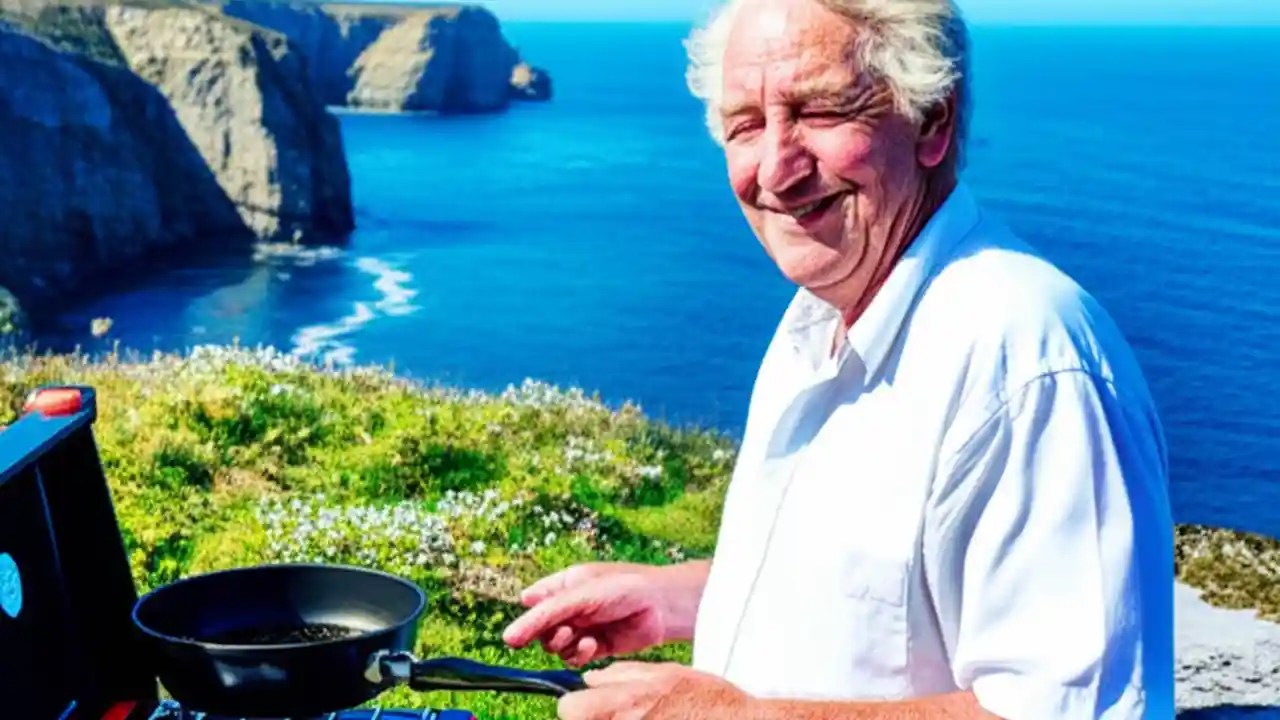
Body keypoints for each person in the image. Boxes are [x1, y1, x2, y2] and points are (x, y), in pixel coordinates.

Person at [502, 0, 1176, 717]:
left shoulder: (1025, 362)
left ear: (932, 122)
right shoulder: (824, 312)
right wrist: (684, 597)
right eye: (746, 125)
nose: (775, 169)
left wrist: (735, 717)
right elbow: (888, 591)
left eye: (820, 112)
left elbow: (1080, 709)